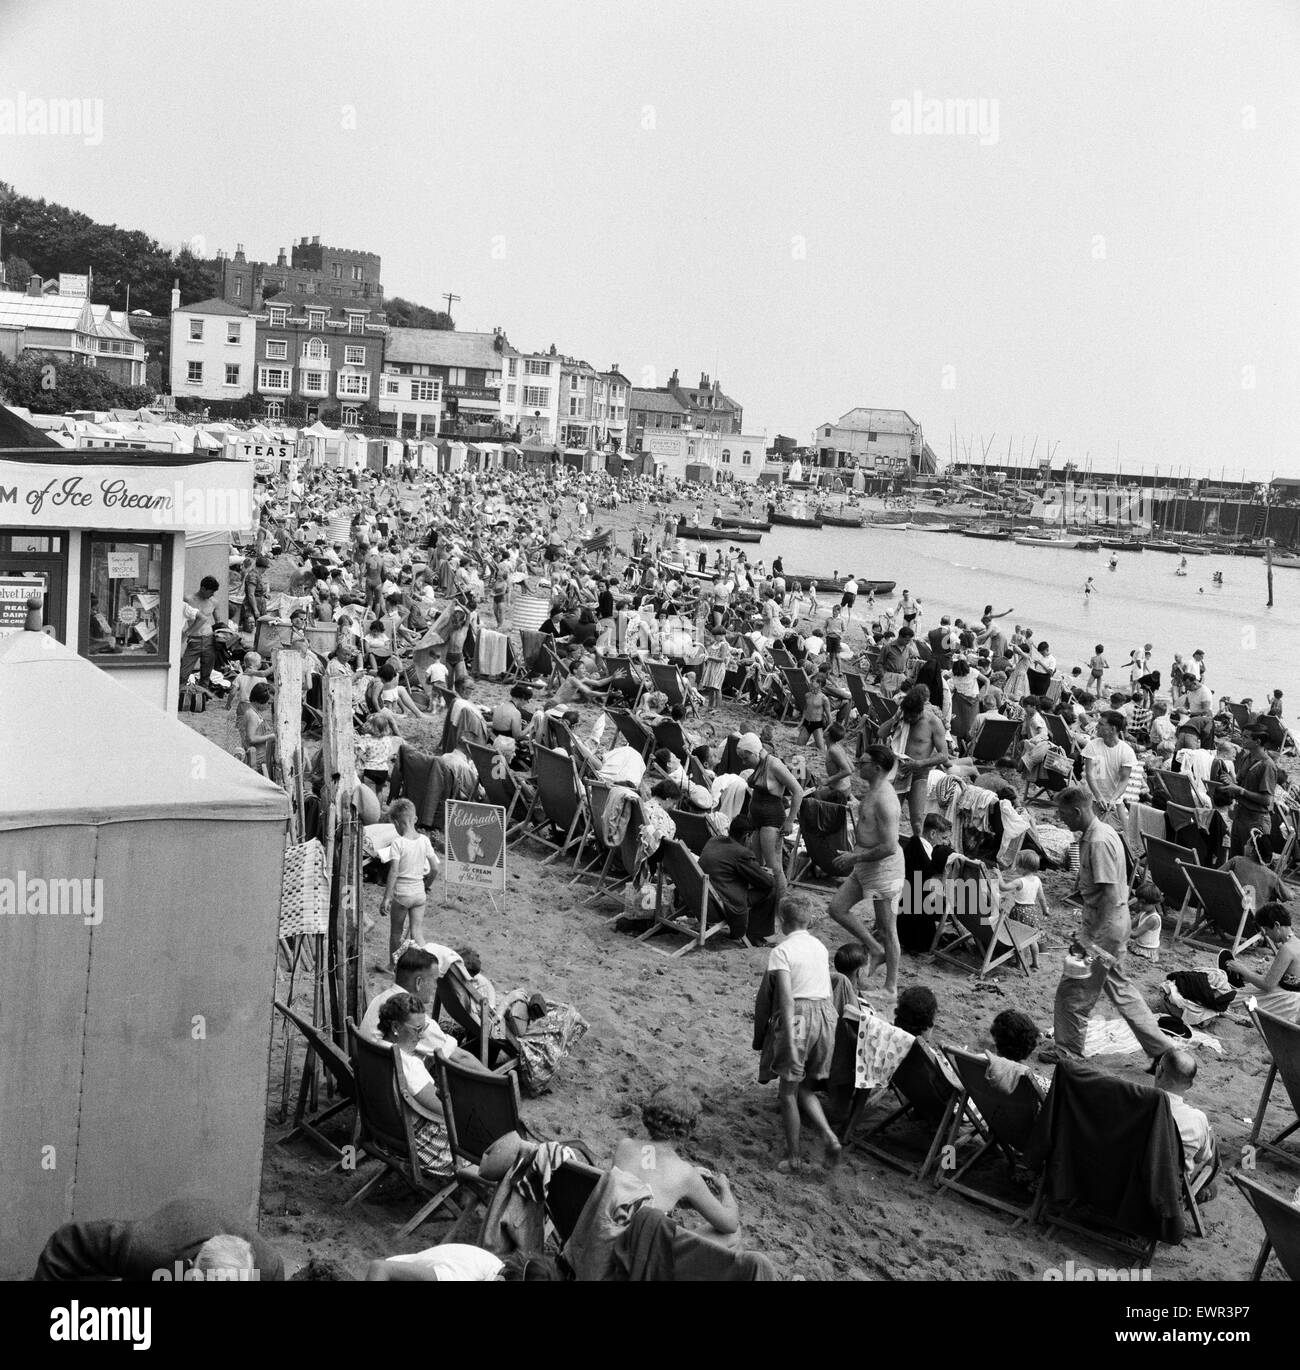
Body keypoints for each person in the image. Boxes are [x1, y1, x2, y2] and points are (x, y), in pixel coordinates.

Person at [1043, 786, 1177, 1065]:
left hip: (1104, 925)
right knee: (1120, 989)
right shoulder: (1103, 833)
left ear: (1078, 811)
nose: (1060, 819)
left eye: (1063, 813)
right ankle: (1163, 1049)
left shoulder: (1097, 841)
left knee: (1074, 990)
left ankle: (1067, 1050)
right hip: (1113, 923)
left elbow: (1109, 896)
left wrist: (1088, 937)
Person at [764, 900, 841, 1173]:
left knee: (787, 1092)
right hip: (825, 1016)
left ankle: (794, 1157)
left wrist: (788, 1037)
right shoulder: (820, 947)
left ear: (782, 921)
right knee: (805, 1087)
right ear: (808, 921)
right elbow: (829, 993)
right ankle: (829, 1136)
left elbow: (785, 998)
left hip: (798, 1016)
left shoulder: (781, 951)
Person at [33, 1197, 285, 1281]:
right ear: (192, 1274)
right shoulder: (145, 1249)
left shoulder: (270, 1269)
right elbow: (64, 1245)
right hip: (175, 1234)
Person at [827, 744, 903, 997]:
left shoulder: (885, 800)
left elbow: (891, 846)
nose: (858, 766)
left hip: (884, 871)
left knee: (888, 929)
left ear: (877, 768)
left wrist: (854, 856)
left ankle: (891, 987)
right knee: (837, 908)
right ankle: (875, 949)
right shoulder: (872, 790)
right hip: (864, 865)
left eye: (863, 763)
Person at [360, 943, 494, 1074]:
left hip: (372, 1076)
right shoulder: (413, 1019)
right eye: (434, 980)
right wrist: (496, 1081)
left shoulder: (380, 999)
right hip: (390, 1083)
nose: (435, 986)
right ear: (419, 982)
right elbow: (461, 1057)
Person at [375, 993, 455, 1174]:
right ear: (395, 1026)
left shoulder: (374, 1048)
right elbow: (445, 1111)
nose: (420, 1036)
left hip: (385, 1135)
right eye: (417, 1029)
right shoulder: (408, 1065)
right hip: (419, 1146)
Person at [735, 731, 803, 905]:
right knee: (757, 865)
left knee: (774, 866)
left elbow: (798, 791)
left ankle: (783, 905)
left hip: (772, 820)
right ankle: (765, 902)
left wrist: (790, 820)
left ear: (753, 753)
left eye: (745, 758)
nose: (743, 763)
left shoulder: (774, 765)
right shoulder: (760, 763)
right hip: (758, 822)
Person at [699, 815, 778, 942]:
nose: (751, 842)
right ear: (746, 836)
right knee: (771, 887)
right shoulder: (742, 853)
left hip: (702, 897)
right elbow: (767, 882)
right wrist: (764, 873)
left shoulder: (714, 840)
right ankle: (755, 934)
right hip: (722, 903)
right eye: (751, 838)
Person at [882, 685, 949, 834]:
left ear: (920, 712)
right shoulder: (902, 716)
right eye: (907, 716)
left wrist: (919, 763)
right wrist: (894, 718)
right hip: (899, 771)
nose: (909, 720)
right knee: (890, 816)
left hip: (919, 775)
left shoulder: (933, 722)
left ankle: (917, 849)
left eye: (913, 717)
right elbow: (881, 733)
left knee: (917, 821)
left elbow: (944, 755)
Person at [378, 798, 439, 961]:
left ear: (396, 822)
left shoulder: (398, 843)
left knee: (396, 933)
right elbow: (435, 868)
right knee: (417, 933)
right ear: (415, 819)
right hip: (419, 893)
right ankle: (426, 963)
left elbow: (394, 871)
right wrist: (426, 885)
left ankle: (393, 966)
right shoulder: (425, 841)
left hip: (402, 895)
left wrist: (387, 897)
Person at [1224, 903, 1300, 1022]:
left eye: (1266, 929)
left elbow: (1268, 985)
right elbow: (1281, 978)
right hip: (1292, 997)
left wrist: (1243, 970)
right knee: (1240, 995)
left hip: (1288, 1002)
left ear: (1276, 925)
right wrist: (1250, 977)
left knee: (1234, 1001)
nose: (1265, 933)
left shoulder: (1287, 949)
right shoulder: (1297, 944)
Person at [1153, 1049, 1217, 1182]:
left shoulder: (1136, 1104)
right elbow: (1201, 1158)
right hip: (1170, 1191)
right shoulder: (1197, 1119)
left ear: (1159, 1071)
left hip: (1131, 1183)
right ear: (1190, 1085)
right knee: (1210, 1139)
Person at [1223, 725, 1278, 857]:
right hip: (1241, 816)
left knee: (1253, 862)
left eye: (1246, 737)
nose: (1241, 739)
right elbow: (1240, 783)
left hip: (1256, 820)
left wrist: (1240, 791)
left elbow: (1266, 800)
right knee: (1235, 858)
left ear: (1258, 741)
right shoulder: (1246, 758)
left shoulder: (1267, 765)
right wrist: (1231, 784)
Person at [1081, 710, 1137, 816]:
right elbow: (1090, 774)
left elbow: (1124, 780)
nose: (1097, 726)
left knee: (1123, 831)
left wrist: (1113, 799)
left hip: (1115, 800)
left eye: (1101, 724)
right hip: (1092, 796)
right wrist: (1098, 796)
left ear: (1113, 729)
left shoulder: (1126, 751)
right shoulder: (1093, 745)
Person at [179, 575, 223, 693]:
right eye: (211, 591)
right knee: (184, 671)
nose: (212, 594)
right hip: (194, 639)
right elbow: (181, 617)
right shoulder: (188, 599)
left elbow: (218, 622)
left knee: (206, 672)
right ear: (203, 588)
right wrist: (184, 634)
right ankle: (180, 693)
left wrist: (222, 637)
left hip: (209, 638)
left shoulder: (214, 602)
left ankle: (203, 696)